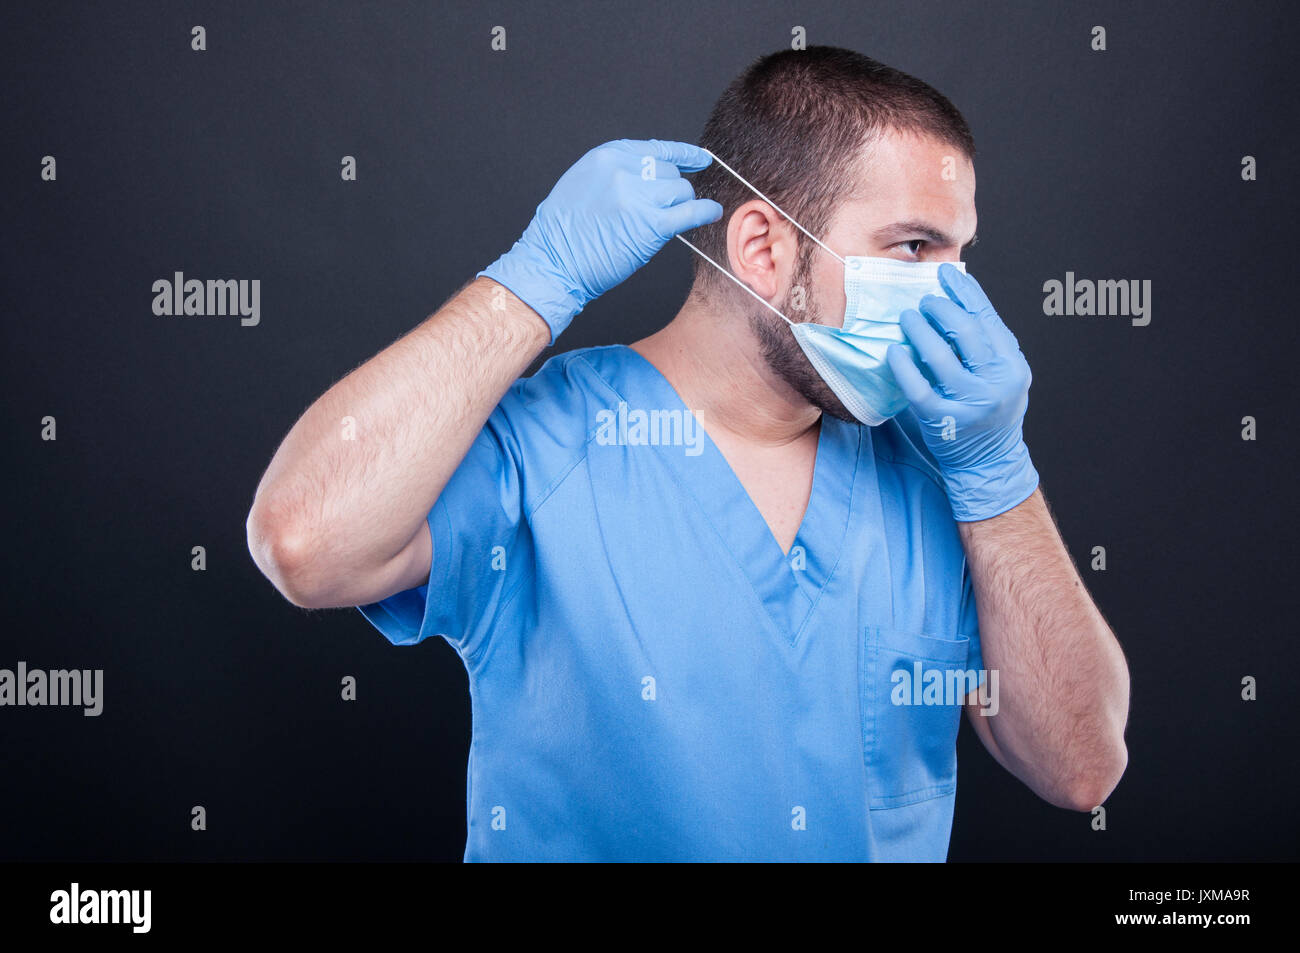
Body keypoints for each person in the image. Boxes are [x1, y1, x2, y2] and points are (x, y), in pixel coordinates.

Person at [246, 46, 1129, 861]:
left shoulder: (944, 467)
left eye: (961, 257)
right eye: (913, 247)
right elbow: (303, 544)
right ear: (764, 247)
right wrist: (536, 277)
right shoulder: (549, 442)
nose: (954, 294)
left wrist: (996, 476)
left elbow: (1082, 768)